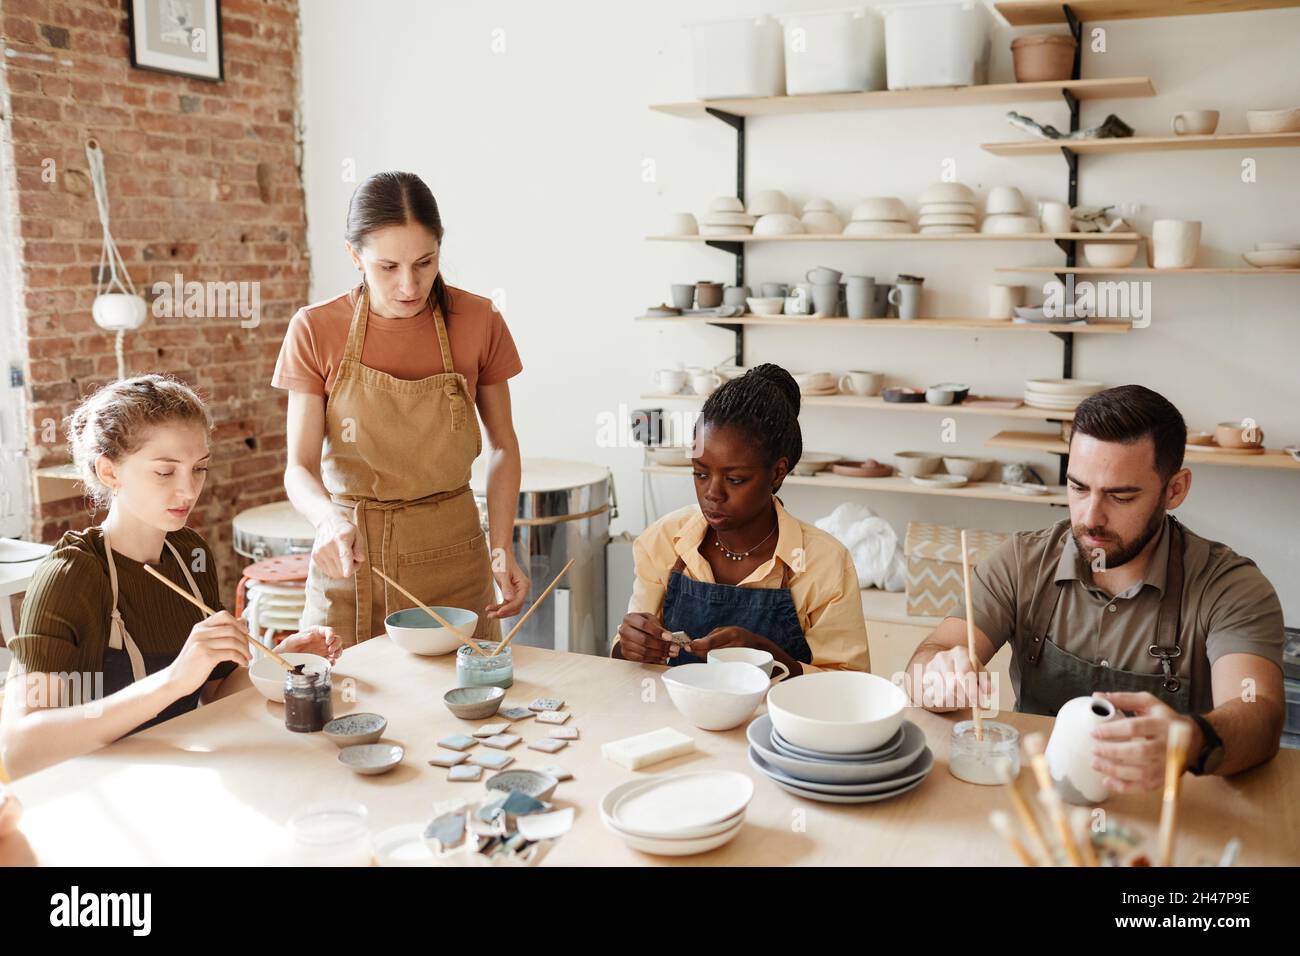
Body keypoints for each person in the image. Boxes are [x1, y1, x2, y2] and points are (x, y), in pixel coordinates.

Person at [907, 385, 1285, 790]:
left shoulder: (1229, 586)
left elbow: (1259, 714)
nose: (1091, 517)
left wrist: (1191, 739)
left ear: (1174, 490)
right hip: (1039, 794)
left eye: (1120, 496)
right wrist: (938, 675)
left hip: (1165, 803)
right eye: (1078, 487)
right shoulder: (1021, 561)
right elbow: (925, 659)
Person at [0, 375, 339, 779]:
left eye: (200, 469)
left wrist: (280, 662)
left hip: (175, 772)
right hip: (94, 791)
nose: (188, 491)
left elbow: (213, 694)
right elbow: (18, 747)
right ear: (109, 472)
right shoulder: (71, 575)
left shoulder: (189, 553)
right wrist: (174, 680)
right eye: (165, 472)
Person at [275, 171, 530, 647]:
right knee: (341, 710)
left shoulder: (479, 320)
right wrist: (327, 521)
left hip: (454, 561)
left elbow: (502, 447)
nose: (410, 285)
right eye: (387, 267)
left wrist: (502, 548)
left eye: (425, 262)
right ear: (354, 256)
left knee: (462, 710)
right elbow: (299, 468)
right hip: (351, 564)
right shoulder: (314, 329)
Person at [614, 365, 870, 675]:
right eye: (700, 473)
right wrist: (629, 645)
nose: (712, 493)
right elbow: (625, 657)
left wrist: (770, 658)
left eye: (734, 479)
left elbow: (850, 689)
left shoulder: (824, 563)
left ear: (777, 473)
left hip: (775, 724)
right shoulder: (665, 539)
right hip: (676, 718)